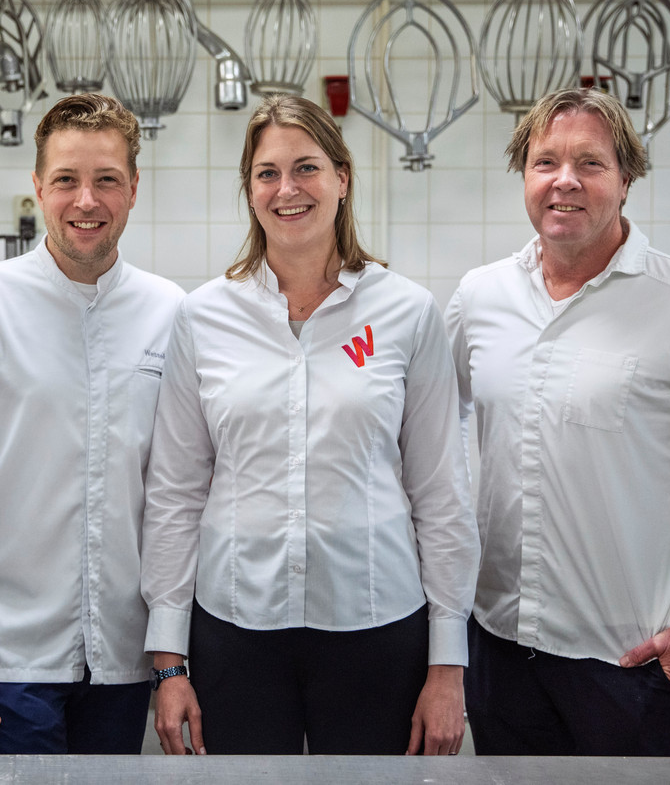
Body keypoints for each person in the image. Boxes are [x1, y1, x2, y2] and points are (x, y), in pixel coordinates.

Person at [445, 88, 670, 756]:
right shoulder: (480, 297)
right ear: (524, 175)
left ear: (626, 179)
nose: (564, 181)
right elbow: (433, 435)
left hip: (637, 664)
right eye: (545, 162)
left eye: (590, 163)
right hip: (502, 651)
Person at [142, 94, 480, 756]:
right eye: (267, 173)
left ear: (342, 178)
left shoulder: (407, 313)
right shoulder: (204, 317)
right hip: (235, 627)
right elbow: (176, 494)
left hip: (378, 626)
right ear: (249, 190)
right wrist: (168, 662)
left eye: (306, 168)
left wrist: (447, 663)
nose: (287, 189)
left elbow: (440, 493)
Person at [0, 93, 185, 754]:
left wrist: (170, 657)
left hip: (121, 658)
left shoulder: (170, 312)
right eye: (66, 180)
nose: (86, 201)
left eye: (106, 180)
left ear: (134, 189)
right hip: (3, 661)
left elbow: (176, 494)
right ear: (38, 185)